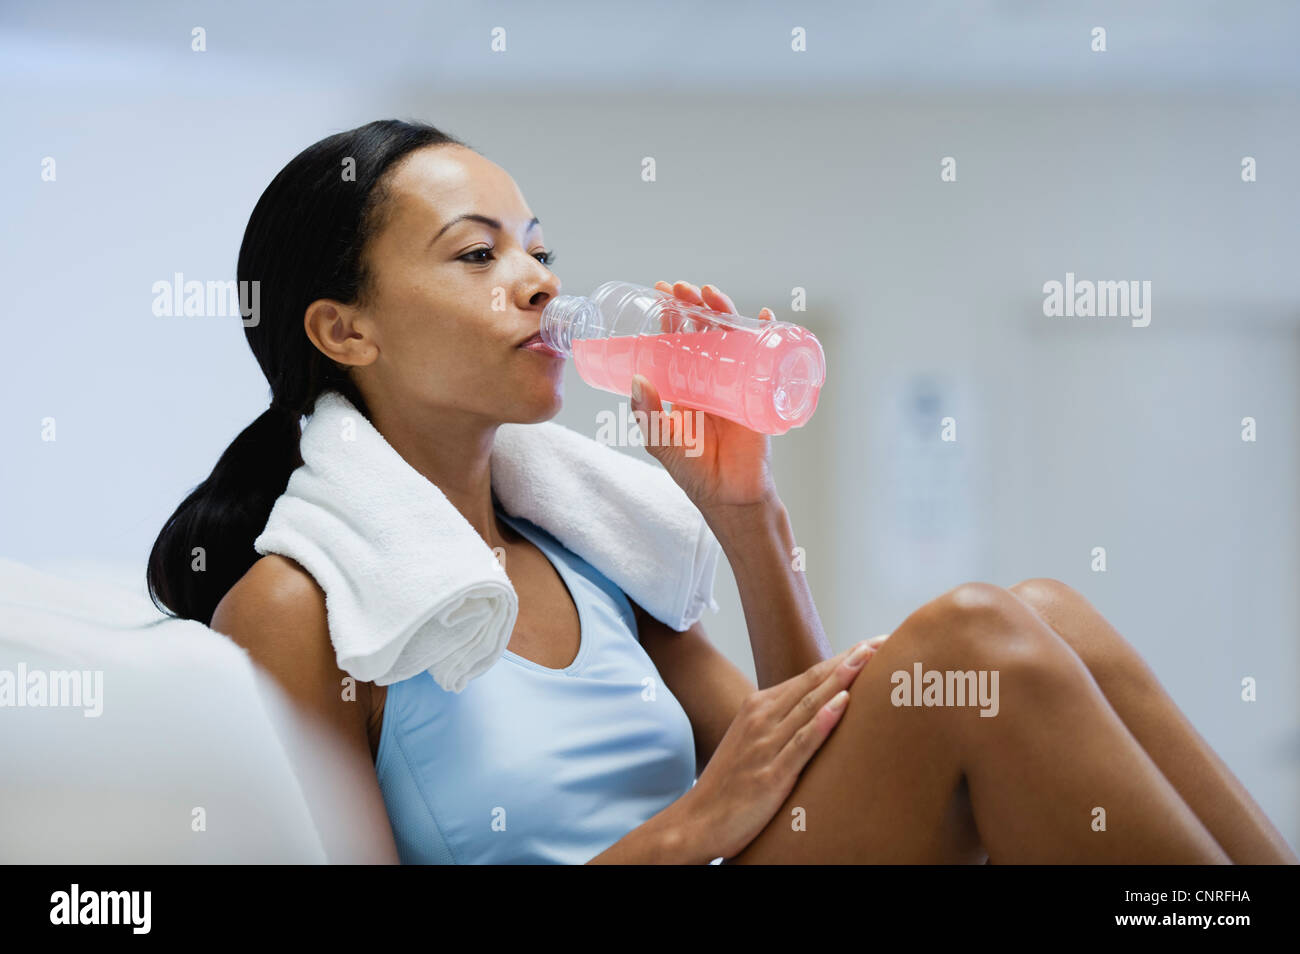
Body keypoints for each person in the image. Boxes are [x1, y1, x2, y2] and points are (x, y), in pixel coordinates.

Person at [148, 119, 1297, 864]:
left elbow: (800, 750)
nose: (540, 282)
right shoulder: (300, 607)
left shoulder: (591, 552)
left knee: (1050, 617)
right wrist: (687, 827)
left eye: (539, 247)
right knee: (975, 641)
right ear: (343, 328)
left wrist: (745, 516)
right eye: (477, 254)